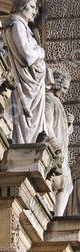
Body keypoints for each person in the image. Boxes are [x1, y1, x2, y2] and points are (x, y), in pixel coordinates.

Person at [2, 0, 47, 145]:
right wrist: (40, 53)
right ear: (22, 7)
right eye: (32, 7)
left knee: (26, 118)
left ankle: (30, 141)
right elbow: (27, 55)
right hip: (24, 82)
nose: (34, 11)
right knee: (23, 118)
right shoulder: (17, 25)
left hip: (31, 83)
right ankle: (24, 143)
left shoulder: (22, 27)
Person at [44, 64, 75, 215]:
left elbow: (63, 131)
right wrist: (54, 145)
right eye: (65, 87)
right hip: (56, 147)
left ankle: (57, 215)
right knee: (64, 184)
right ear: (57, 85)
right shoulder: (48, 101)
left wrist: (68, 125)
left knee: (67, 185)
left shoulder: (57, 103)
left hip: (61, 148)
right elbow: (47, 124)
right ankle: (57, 216)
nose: (65, 91)